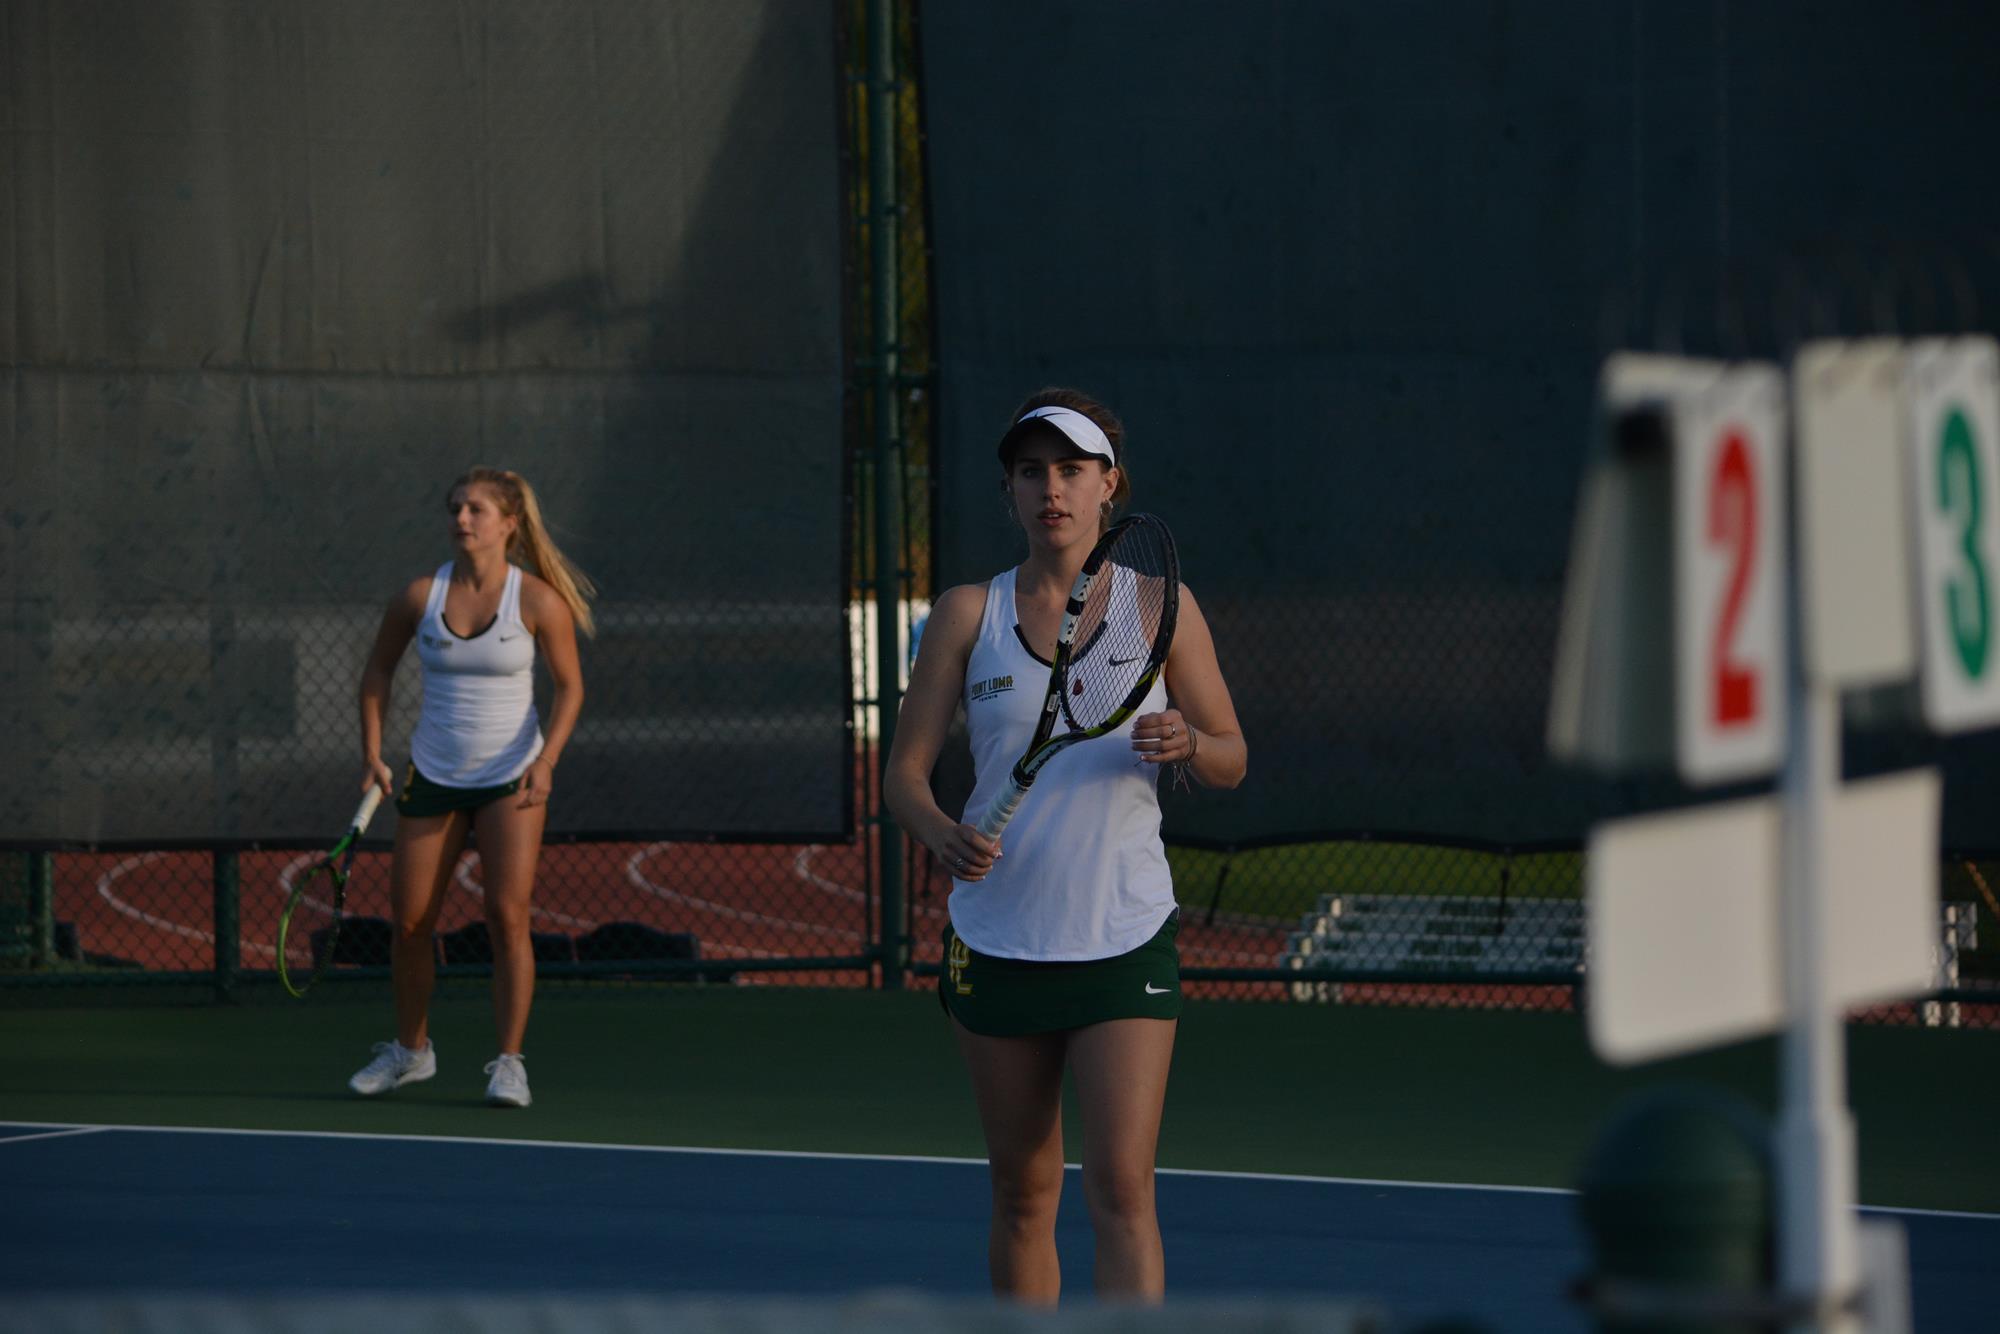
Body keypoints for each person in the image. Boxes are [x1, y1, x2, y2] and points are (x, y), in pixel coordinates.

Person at [885, 389, 1247, 1303]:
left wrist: (1190, 743)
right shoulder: (967, 614)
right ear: (1009, 490)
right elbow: (904, 778)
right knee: (1023, 1192)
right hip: (998, 937)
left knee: (1123, 1190)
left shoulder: (1161, 608)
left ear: (1108, 485)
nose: (1052, 489)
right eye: (1031, 471)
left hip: (1123, 936)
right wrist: (941, 833)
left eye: (1072, 470)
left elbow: (1232, 756)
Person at [347, 467, 593, 1109]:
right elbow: (377, 672)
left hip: (511, 778)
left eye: (476, 509)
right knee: (409, 924)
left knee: (507, 917)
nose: (461, 519)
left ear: (508, 524)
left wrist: (548, 760)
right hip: (432, 775)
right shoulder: (419, 596)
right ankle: (411, 1052)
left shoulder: (537, 600)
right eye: (455, 507)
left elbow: (570, 687)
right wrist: (372, 753)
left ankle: (509, 1064)